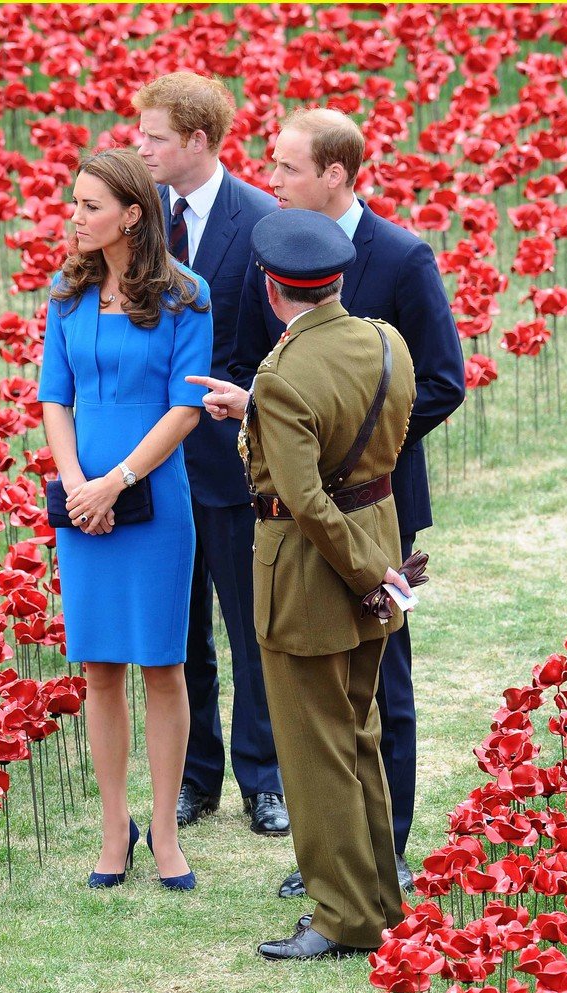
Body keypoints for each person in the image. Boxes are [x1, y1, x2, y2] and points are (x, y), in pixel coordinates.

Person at [229, 108, 465, 898]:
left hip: (372, 502)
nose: (274, 180)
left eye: (288, 167)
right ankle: (335, 857)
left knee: (376, 687)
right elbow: (252, 360)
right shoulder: (273, 247)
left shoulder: (399, 256)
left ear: (335, 173)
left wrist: (348, 456)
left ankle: (382, 851)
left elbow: (441, 381)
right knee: (327, 701)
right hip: (305, 512)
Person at [187, 209, 416, 959]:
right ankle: (379, 894)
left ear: (270, 288)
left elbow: (307, 499)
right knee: (358, 733)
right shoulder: (383, 341)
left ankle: (339, 917)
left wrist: (360, 571)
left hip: (318, 576)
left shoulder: (281, 374)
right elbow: (362, 447)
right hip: (377, 550)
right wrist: (375, 566)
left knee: (315, 751)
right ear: (333, 281)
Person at [37, 148, 213, 892]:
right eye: (73, 203)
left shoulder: (187, 295)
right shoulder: (65, 293)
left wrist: (117, 480)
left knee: (164, 667)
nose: (72, 217)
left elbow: (187, 406)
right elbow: (53, 397)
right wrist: (80, 486)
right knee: (100, 670)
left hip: (154, 501)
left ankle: (167, 834)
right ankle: (116, 830)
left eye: (88, 206)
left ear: (131, 216)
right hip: (83, 506)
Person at [131, 71, 290, 838]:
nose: (141, 147)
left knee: (249, 623)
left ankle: (263, 779)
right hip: (155, 462)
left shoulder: (258, 220)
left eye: (155, 136)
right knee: (177, 628)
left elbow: (279, 346)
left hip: (233, 464)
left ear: (197, 140)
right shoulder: (135, 223)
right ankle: (196, 779)